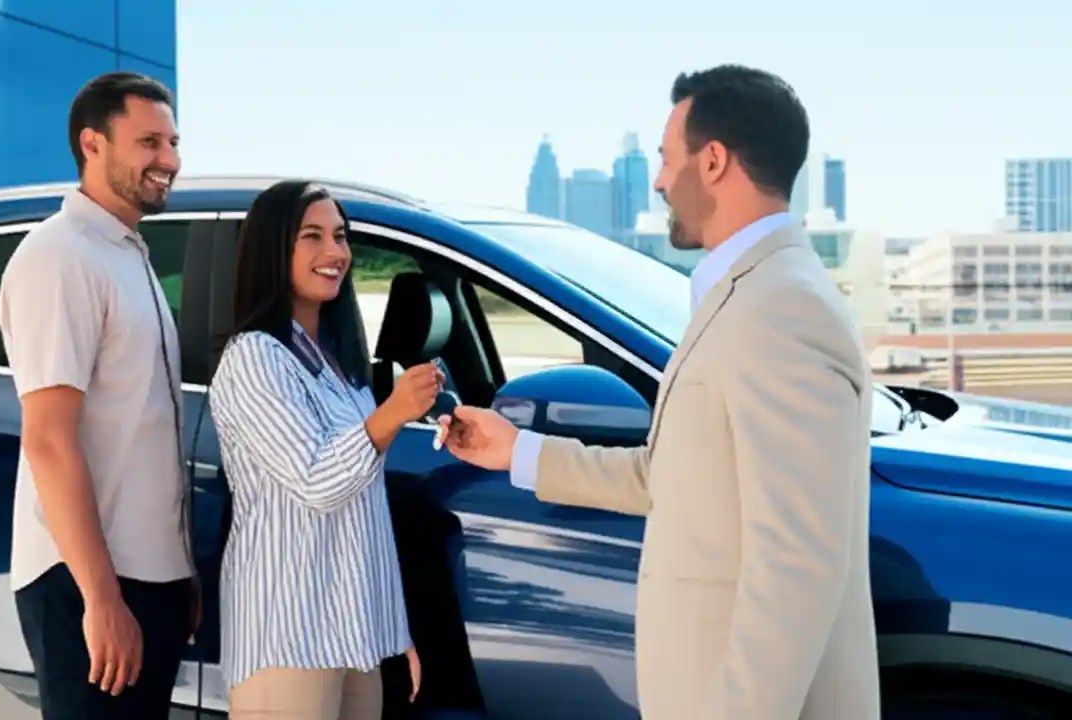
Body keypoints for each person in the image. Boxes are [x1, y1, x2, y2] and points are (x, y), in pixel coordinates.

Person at [439, 64, 880, 720]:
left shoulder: (781, 306)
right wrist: (518, 453)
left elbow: (794, 569)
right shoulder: (747, 294)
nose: (657, 180)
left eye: (666, 158)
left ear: (712, 162)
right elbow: (672, 476)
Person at [0, 71, 199, 719]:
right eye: (149, 142)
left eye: (172, 142)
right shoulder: (60, 256)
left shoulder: (127, 254)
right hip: (88, 582)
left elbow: (144, 426)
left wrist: (179, 567)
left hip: (150, 578)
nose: (168, 159)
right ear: (92, 144)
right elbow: (50, 441)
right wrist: (102, 598)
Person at [208, 180, 435, 719]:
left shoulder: (336, 363)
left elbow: (365, 511)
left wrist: (392, 625)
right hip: (289, 632)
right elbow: (317, 480)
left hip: (349, 631)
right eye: (312, 237)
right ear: (273, 249)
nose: (336, 252)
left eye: (340, 236)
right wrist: (393, 412)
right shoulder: (254, 359)